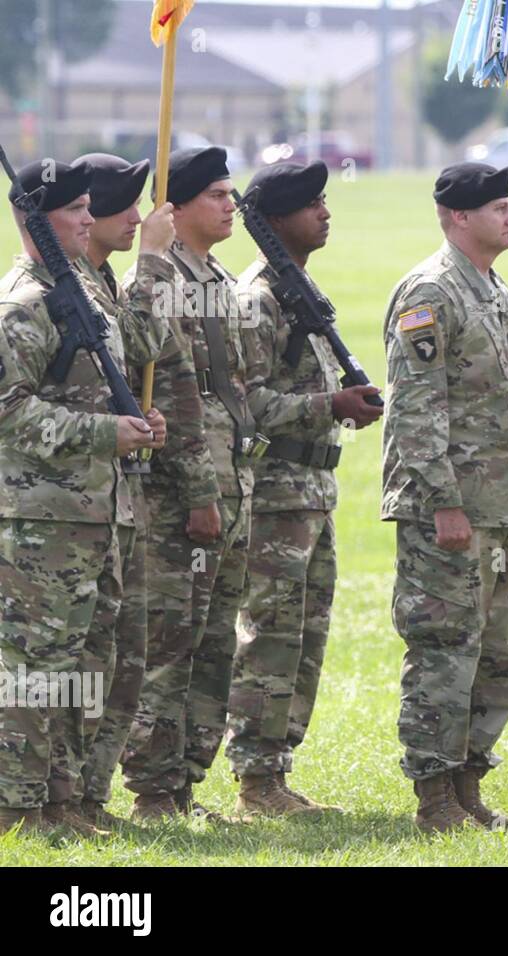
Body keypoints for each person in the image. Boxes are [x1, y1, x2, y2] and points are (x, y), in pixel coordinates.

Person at [381, 162, 508, 833]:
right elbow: (416, 410)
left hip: (502, 508)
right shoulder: (431, 292)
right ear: (460, 217)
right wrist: (442, 501)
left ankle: (469, 786)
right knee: (444, 646)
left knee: (498, 651)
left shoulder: (494, 290)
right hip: (449, 511)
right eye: (500, 209)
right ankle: (434, 798)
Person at [0, 159, 165, 836]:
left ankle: (60, 801)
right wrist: (105, 433)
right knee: (34, 673)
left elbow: (129, 360)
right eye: (75, 212)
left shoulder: (84, 292)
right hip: (42, 520)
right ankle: (17, 806)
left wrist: (137, 426)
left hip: (95, 514)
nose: (88, 221)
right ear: (37, 221)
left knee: (83, 670)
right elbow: (9, 412)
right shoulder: (22, 307)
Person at [228, 160, 383, 817]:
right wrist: (331, 405)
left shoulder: (299, 289)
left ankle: (277, 770)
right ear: (276, 219)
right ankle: (256, 781)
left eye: (325, 199)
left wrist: (343, 402)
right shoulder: (259, 297)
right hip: (274, 489)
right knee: (272, 634)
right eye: (311, 203)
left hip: (311, 489)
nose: (325, 212)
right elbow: (245, 404)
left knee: (306, 636)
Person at [120, 146, 260, 821]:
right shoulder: (159, 277)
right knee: (170, 645)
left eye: (232, 194)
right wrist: (200, 492)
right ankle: (153, 790)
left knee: (214, 647)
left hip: (232, 488)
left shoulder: (218, 278)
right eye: (218, 196)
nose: (232, 206)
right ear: (176, 209)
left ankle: (185, 784)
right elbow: (157, 368)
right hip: (182, 493)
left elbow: (230, 393)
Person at [73, 151, 201, 827]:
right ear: (82, 214)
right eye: (124, 206)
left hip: (112, 502)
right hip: (71, 508)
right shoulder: (70, 286)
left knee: (122, 658)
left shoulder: (97, 282)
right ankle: (61, 801)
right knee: (74, 662)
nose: (138, 217)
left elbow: (143, 343)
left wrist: (136, 418)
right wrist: (152, 258)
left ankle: (89, 799)